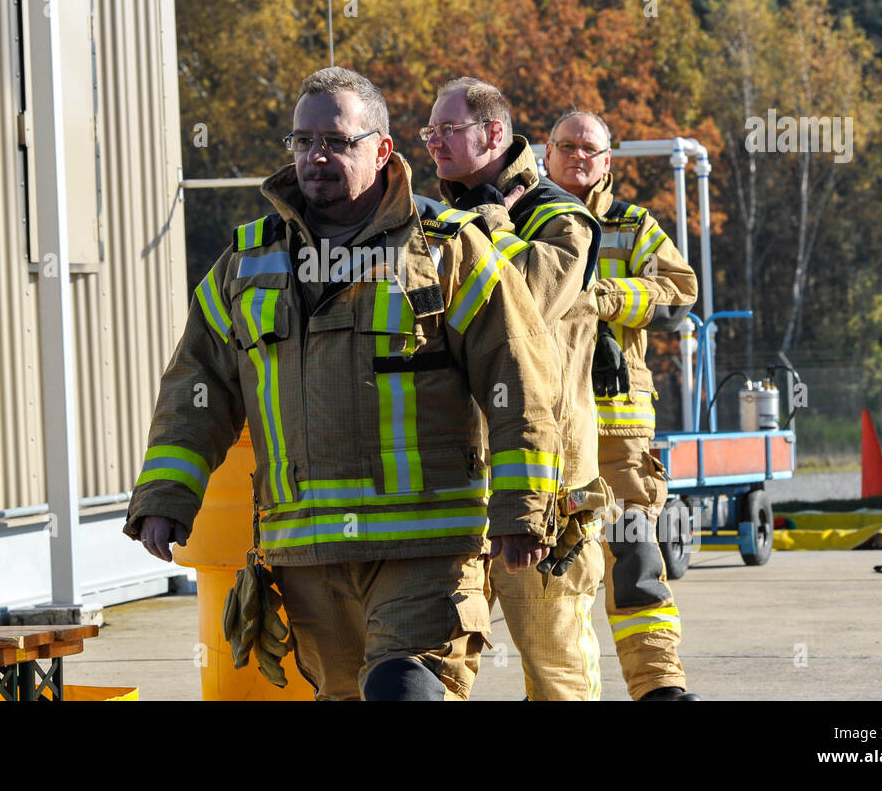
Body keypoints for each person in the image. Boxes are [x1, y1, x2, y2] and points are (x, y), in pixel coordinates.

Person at [126, 66, 564, 701]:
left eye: (336, 140)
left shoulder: (445, 249)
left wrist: (523, 508)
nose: (316, 156)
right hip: (306, 552)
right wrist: (167, 493)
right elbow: (197, 385)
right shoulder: (249, 263)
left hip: (426, 546)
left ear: (382, 149)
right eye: (303, 142)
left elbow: (518, 374)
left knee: (403, 688)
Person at [427, 77, 610, 701]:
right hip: (458, 484)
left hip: (544, 485)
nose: (435, 145)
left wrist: (490, 226)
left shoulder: (560, 218)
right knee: (434, 665)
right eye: (430, 133)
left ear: (496, 134)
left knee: (555, 670)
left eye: (449, 130)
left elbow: (524, 301)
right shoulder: (437, 219)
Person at [545, 108, 701, 701]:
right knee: (542, 571)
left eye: (591, 148)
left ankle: (659, 686)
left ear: (607, 161)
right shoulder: (521, 221)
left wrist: (605, 299)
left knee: (633, 560)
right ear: (548, 153)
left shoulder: (633, 226)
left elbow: (679, 291)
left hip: (617, 436)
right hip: (541, 432)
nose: (579, 156)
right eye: (567, 146)